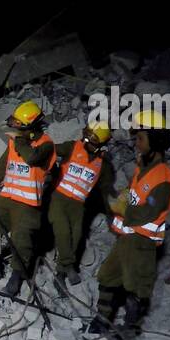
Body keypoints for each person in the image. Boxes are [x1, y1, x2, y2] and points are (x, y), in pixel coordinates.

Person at [88, 111, 170, 338]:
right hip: (126, 239)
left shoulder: (164, 178)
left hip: (142, 244)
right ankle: (102, 319)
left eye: (140, 138)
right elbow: (137, 194)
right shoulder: (143, 167)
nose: (136, 144)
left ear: (155, 141)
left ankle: (129, 330)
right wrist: (124, 195)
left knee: (135, 287)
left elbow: (149, 210)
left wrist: (121, 209)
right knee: (108, 275)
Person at [0, 101, 56, 295]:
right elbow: (3, 165)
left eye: (19, 125)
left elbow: (32, 158)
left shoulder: (46, 145)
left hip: (28, 205)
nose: (15, 128)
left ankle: (17, 277)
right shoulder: (14, 142)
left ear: (32, 127)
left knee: (22, 243)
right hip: (7, 198)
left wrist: (19, 140)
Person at [47, 123, 116, 287]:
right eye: (86, 138)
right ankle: (68, 266)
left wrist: (112, 214)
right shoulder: (72, 147)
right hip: (58, 197)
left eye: (92, 142)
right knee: (63, 232)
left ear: (101, 146)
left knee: (76, 236)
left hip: (78, 204)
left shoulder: (103, 165)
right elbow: (49, 150)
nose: (86, 143)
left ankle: (61, 273)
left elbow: (107, 190)